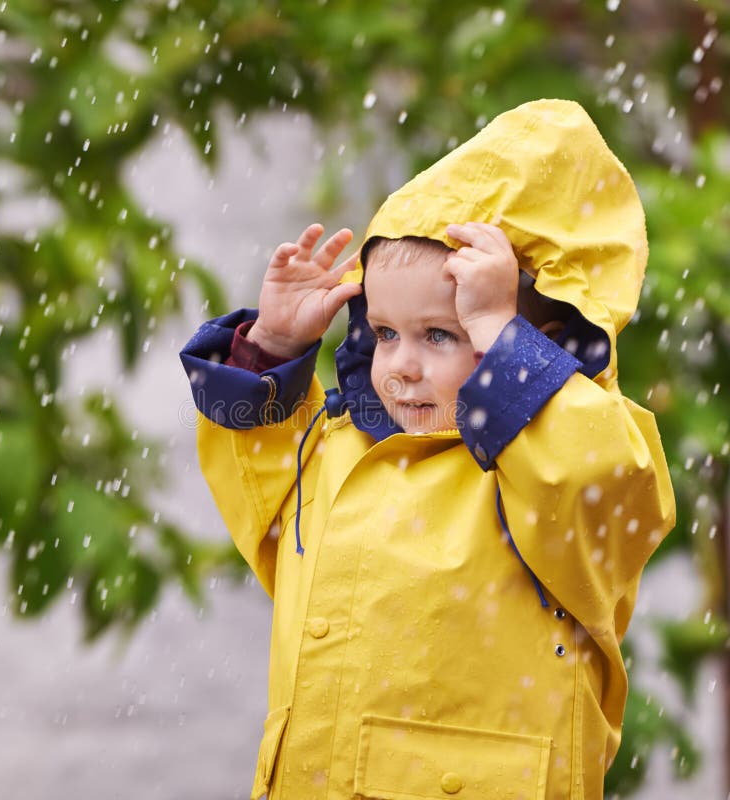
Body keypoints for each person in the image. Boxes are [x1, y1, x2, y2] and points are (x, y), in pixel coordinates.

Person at [179, 99, 675, 800]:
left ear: (542, 336)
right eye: (383, 332)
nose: (400, 366)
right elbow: (260, 499)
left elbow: (593, 481)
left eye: (441, 335)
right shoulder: (343, 453)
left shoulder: (566, 467)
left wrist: (503, 340)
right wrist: (275, 348)